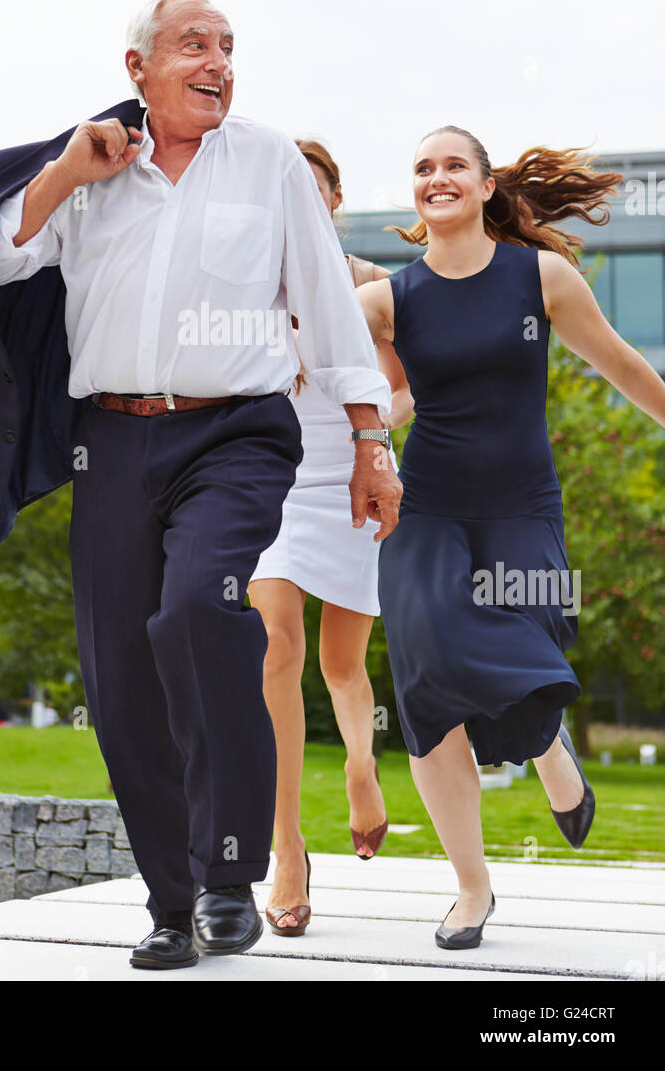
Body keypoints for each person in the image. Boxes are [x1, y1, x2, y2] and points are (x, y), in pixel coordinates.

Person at [0, 0, 403, 970]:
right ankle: (169, 900)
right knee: (117, 681)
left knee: (199, 608)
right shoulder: (94, 168)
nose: (219, 62)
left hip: (233, 434)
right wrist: (67, 169)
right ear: (138, 67)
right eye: (195, 44)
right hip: (109, 441)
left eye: (229, 47)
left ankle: (231, 869)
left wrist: (369, 435)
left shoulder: (269, 161)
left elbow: (324, 301)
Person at [358, 126, 665, 950]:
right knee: (424, 669)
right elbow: (356, 378)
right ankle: (471, 888)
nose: (437, 177)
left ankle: (545, 743)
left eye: (453, 164)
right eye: (422, 168)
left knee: (534, 652)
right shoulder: (390, 300)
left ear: (487, 186)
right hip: (426, 507)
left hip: (523, 508)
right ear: (416, 195)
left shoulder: (542, 276)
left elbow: (620, 364)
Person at [248, 138, 413, 936]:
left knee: (341, 666)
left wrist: (372, 437)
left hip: (349, 477)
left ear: (335, 199)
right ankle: (287, 847)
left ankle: (359, 764)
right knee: (275, 647)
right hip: (269, 483)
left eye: (312, 190)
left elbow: (404, 387)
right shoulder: (245, 282)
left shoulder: (372, 285)